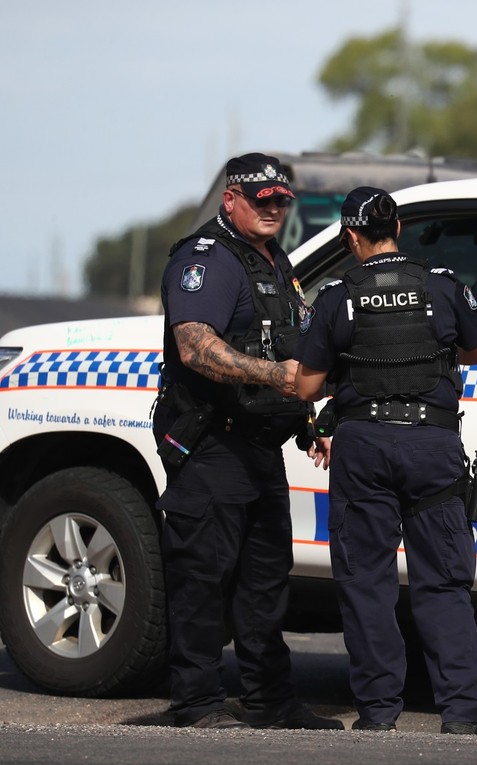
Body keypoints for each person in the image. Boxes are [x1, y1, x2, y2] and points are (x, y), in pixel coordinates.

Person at [294, 187, 477, 735]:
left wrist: (347, 375)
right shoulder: (441, 285)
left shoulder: (339, 296)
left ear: (351, 236)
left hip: (364, 447)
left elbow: (305, 387)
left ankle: (378, 712)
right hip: (431, 445)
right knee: (443, 582)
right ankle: (463, 712)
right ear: (399, 230)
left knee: (367, 581)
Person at [153, 153, 342, 730]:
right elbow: (194, 346)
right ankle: (198, 702)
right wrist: (274, 376)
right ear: (230, 198)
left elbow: (288, 342)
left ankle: (268, 699)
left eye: (282, 200)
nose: (274, 209)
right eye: (262, 200)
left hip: (259, 448)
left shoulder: (273, 258)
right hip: (213, 445)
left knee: (265, 581)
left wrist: (306, 416)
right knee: (202, 580)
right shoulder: (206, 259)